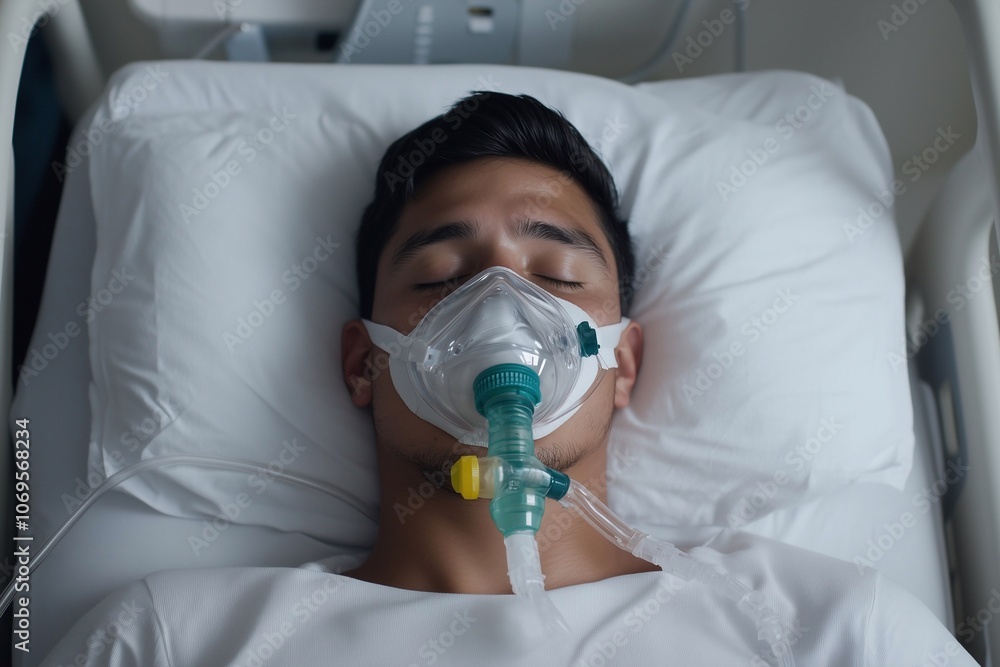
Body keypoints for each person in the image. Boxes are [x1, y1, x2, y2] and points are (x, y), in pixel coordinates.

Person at [40, 92, 979, 667]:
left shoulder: (833, 634)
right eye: (442, 280)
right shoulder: (179, 640)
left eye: (557, 277)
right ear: (365, 361)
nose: (499, 312)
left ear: (621, 360)